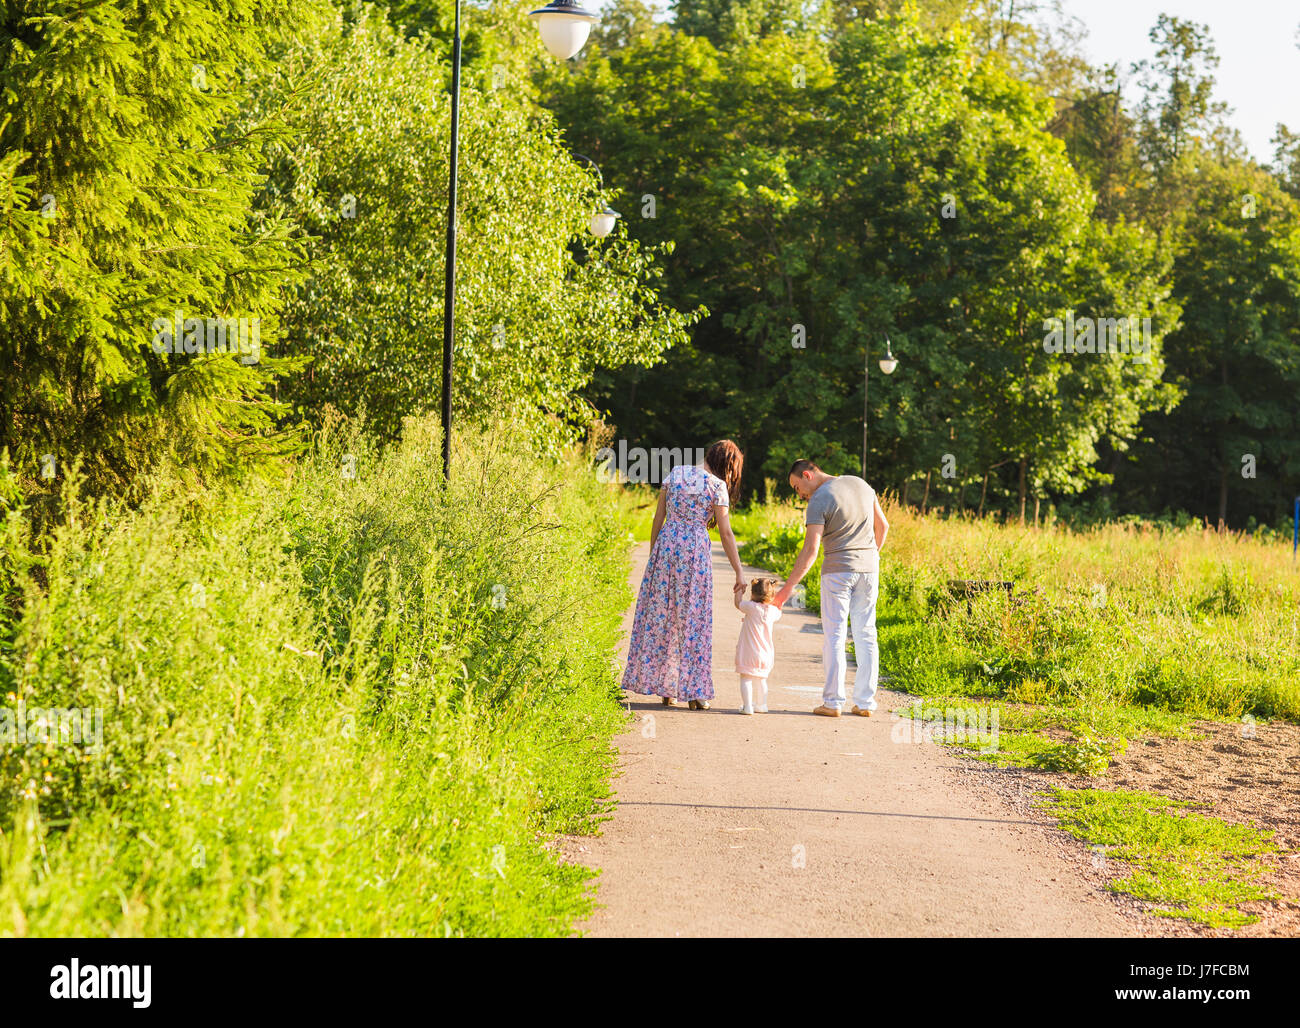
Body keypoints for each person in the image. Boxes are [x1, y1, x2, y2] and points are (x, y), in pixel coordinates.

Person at [622, 441, 746, 710]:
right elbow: (725, 532)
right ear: (727, 465)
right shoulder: (716, 486)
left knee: (664, 617)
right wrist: (738, 570)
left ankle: (667, 689)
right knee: (693, 620)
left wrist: (654, 554)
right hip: (694, 555)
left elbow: (658, 518)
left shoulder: (676, 473)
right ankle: (695, 692)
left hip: (666, 546)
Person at [773, 459, 889, 717]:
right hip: (869, 570)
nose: (799, 494)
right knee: (866, 633)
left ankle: (833, 703)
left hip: (838, 572)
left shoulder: (819, 500)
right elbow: (883, 526)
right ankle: (865, 703)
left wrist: (786, 590)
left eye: (797, 487)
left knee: (835, 635)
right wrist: (870, 557)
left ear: (807, 475)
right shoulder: (862, 485)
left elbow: (811, 550)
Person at [733, 577, 782, 715]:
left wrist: (739, 591)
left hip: (749, 652)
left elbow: (738, 604)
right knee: (761, 680)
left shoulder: (750, 607)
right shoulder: (773, 612)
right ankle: (762, 705)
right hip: (766, 654)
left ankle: (747, 706)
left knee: (746, 678)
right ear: (771, 596)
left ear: (752, 594)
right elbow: (778, 610)